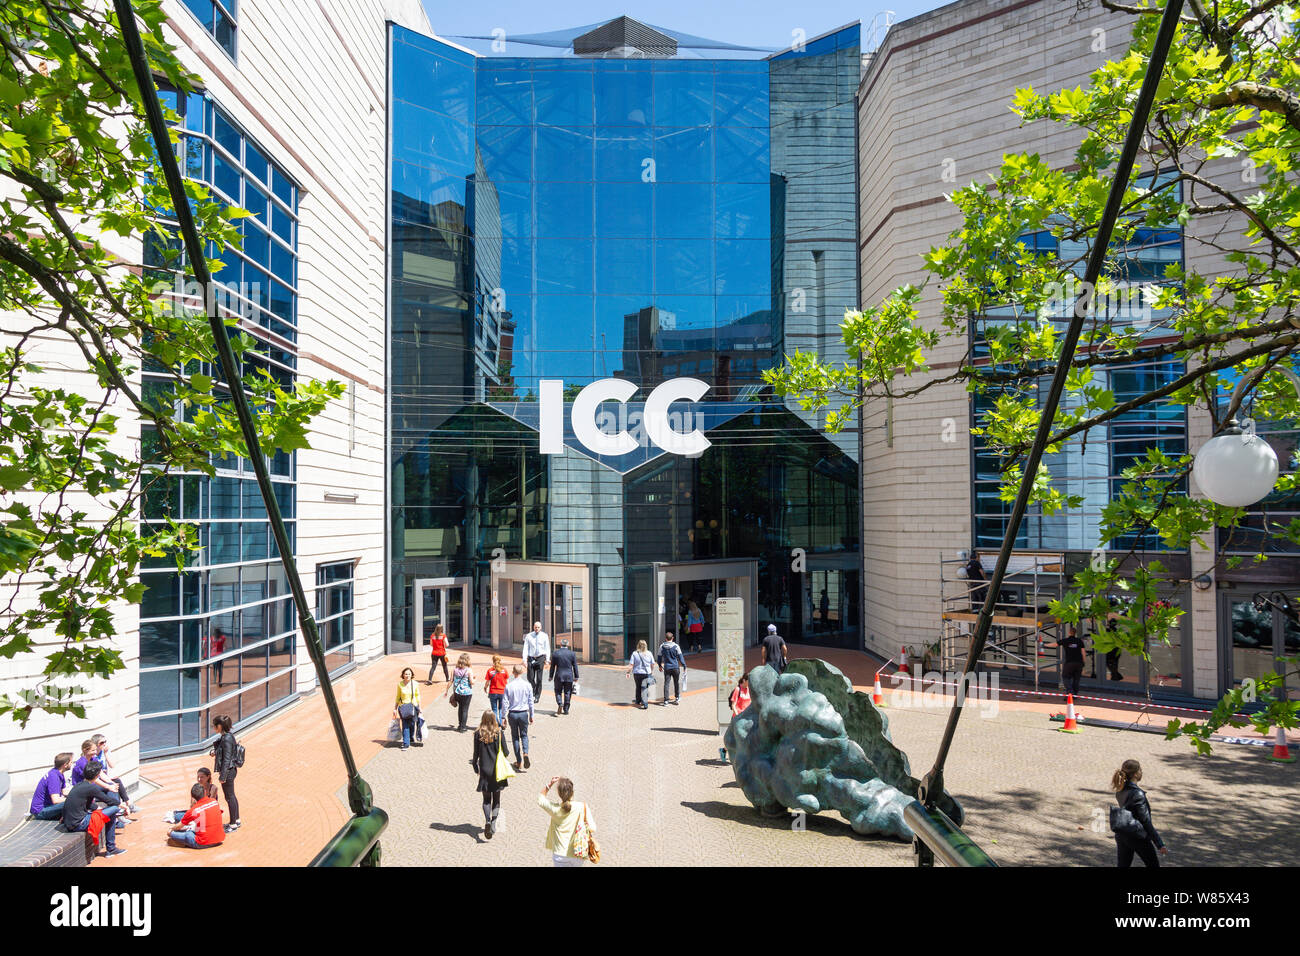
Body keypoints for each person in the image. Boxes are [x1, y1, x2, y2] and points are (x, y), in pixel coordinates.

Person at [62, 761, 125, 857]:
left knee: (111, 811)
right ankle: (111, 848)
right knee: (114, 809)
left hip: (71, 823)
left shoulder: (80, 785)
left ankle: (111, 848)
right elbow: (109, 801)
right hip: (79, 823)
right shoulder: (91, 788)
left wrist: (97, 808)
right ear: (97, 775)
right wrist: (122, 805)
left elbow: (87, 804)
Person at [1112, 759, 1167, 867]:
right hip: (1137, 836)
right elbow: (1145, 821)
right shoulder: (1138, 794)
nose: (1142, 772)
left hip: (1122, 834)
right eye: (1140, 770)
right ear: (1136, 774)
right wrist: (1159, 844)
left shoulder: (1120, 789)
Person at [538, 776, 596, 867]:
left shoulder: (555, 809)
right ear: (572, 792)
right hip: (578, 852)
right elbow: (593, 828)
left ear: (559, 793)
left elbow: (540, 799)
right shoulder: (582, 807)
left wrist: (550, 784)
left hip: (560, 855)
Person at [470, 711, 509, 839]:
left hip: (485, 770)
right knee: (496, 800)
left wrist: (475, 766)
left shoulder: (478, 734)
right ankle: (493, 822)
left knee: (486, 800)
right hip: (497, 771)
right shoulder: (499, 733)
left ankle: (487, 820)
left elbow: (475, 754)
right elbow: (507, 752)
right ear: (494, 719)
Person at [210, 714, 242, 833]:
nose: (214, 728)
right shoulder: (226, 736)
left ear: (220, 726)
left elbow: (227, 759)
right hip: (230, 771)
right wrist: (214, 752)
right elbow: (223, 751)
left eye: (214, 726)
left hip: (228, 772)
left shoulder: (227, 738)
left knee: (229, 797)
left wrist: (222, 776)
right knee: (231, 796)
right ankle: (236, 820)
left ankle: (233, 824)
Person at [168, 783, 225, 849]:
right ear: (205, 792)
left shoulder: (193, 810)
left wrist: (170, 830)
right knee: (187, 822)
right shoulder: (214, 802)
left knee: (187, 834)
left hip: (203, 843)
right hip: (219, 839)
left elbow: (179, 826)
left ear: (193, 798)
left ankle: (174, 835)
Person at [92, 734, 136, 816]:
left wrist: (106, 754)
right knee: (113, 786)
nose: (104, 744)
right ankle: (121, 809)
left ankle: (124, 807)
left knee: (116, 782)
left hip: (103, 777)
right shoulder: (92, 756)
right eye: (102, 743)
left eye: (105, 742)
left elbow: (112, 765)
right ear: (96, 744)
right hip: (96, 780)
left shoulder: (104, 752)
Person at [504, 664, 535, 771]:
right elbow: (531, 701)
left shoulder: (509, 686)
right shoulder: (527, 685)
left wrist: (503, 716)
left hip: (512, 713)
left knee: (515, 737)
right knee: (524, 735)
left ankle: (519, 761)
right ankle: (525, 753)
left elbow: (505, 702)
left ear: (513, 672)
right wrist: (532, 715)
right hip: (523, 713)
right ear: (522, 672)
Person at [29, 752, 74, 821]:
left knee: (75, 800)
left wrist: (79, 793)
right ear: (65, 765)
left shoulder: (58, 773)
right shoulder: (54, 777)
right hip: (40, 811)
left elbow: (64, 791)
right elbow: (55, 800)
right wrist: (74, 799)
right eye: (71, 762)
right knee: (72, 802)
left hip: (48, 806)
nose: (72, 764)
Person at [393, 666, 422, 751]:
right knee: (405, 725)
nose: (407, 675)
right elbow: (398, 697)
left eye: (409, 674)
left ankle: (411, 737)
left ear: (412, 675)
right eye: (406, 674)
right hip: (403, 708)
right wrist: (395, 708)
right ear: (403, 675)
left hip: (413, 706)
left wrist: (420, 707)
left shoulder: (415, 684)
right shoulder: (400, 685)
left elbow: (418, 696)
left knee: (412, 724)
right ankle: (406, 743)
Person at [444, 653, 475, 731]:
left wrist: (446, 691)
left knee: (460, 709)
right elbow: (472, 682)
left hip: (457, 693)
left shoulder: (454, 670)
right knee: (465, 709)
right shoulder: (469, 670)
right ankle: (463, 727)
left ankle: (459, 725)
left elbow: (451, 681)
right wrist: (475, 679)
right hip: (466, 693)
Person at [549, 637, 579, 715]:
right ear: (568, 645)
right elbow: (575, 666)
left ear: (560, 644)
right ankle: (566, 709)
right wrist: (576, 676)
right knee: (568, 692)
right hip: (569, 676)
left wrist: (551, 676)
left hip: (559, 675)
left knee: (558, 691)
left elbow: (552, 666)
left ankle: (560, 703)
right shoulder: (572, 654)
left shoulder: (556, 653)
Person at [523, 620, 550, 700]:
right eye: (535, 627)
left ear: (540, 628)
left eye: (538, 627)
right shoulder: (529, 636)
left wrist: (547, 659)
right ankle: (534, 688)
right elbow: (525, 648)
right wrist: (524, 660)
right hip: (531, 658)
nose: (537, 628)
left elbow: (547, 648)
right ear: (533, 627)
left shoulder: (544, 636)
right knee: (530, 677)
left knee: (539, 678)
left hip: (540, 658)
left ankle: (537, 695)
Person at [657, 630, 686, 705]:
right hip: (675, 667)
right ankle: (677, 697)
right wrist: (684, 665)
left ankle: (666, 700)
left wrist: (659, 665)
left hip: (667, 668)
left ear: (666, 638)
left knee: (666, 683)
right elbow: (681, 657)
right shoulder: (676, 646)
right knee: (676, 682)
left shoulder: (662, 646)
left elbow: (659, 657)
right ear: (672, 638)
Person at [626, 640, 654, 710]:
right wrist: (651, 671)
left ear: (638, 645)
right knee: (645, 688)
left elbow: (631, 665)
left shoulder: (635, 653)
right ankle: (645, 704)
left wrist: (628, 672)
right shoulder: (649, 653)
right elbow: (652, 664)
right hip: (646, 673)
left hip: (637, 673)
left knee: (638, 687)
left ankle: (638, 701)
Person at [484, 655, 510, 727]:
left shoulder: (490, 670)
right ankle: (502, 723)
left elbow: (487, 681)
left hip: (493, 692)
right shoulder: (504, 670)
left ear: (493, 661)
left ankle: (496, 723)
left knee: (494, 709)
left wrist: (485, 687)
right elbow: (506, 681)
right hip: (502, 692)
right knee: (501, 709)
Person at [1060, 625, 1086, 696]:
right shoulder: (1079, 641)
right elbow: (1083, 652)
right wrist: (1084, 662)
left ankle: (1070, 692)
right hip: (1079, 663)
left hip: (1069, 663)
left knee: (1065, 677)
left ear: (1069, 633)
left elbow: (1055, 644)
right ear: (1075, 633)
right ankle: (1075, 694)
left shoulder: (1066, 640)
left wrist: (1044, 645)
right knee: (1076, 679)